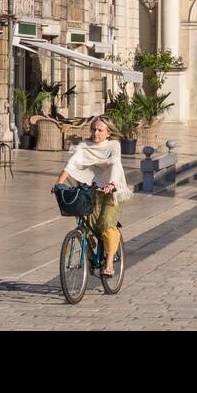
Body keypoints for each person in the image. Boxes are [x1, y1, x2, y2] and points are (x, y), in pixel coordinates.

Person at [55, 115, 133, 276]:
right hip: (91, 189)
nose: (95, 133)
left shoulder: (113, 145)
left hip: (112, 191)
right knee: (85, 226)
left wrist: (111, 184)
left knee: (105, 225)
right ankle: (90, 255)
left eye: (100, 130)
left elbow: (115, 163)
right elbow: (71, 164)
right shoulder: (84, 145)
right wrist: (58, 184)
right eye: (93, 129)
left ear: (108, 132)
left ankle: (109, 264)